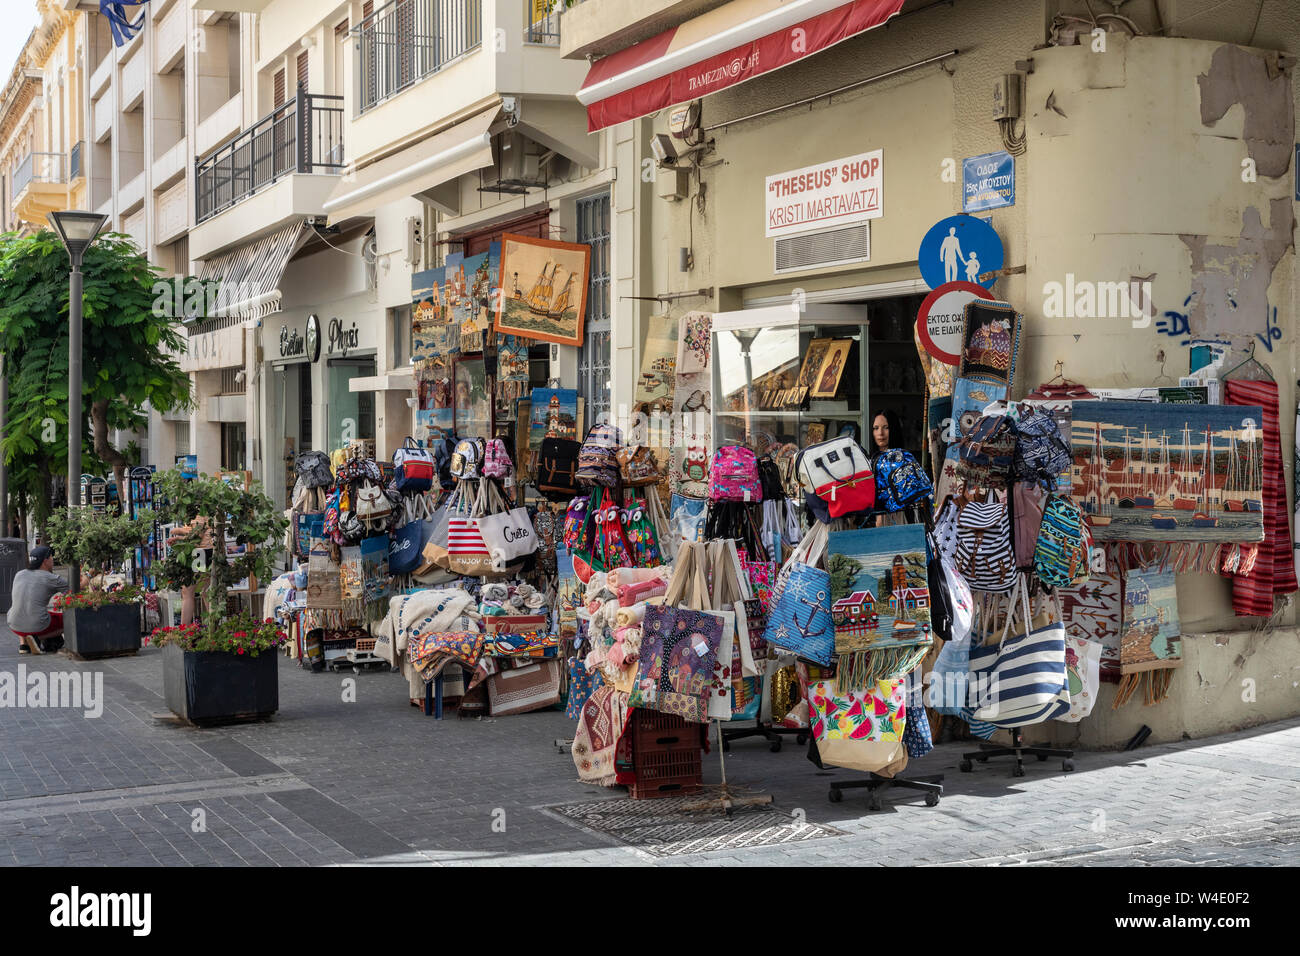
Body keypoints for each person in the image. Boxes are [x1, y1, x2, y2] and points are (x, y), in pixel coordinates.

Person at [8, 546, 71, 653]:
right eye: (51, 557)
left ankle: (23, 645)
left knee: (23, 607)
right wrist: (86, 580)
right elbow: (73, 589)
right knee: (70, 621)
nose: (53, 560)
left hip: (13, 623)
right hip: (38, 624)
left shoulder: (19, 574)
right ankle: (37, 639)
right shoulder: (52, 578)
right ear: (45, 561)